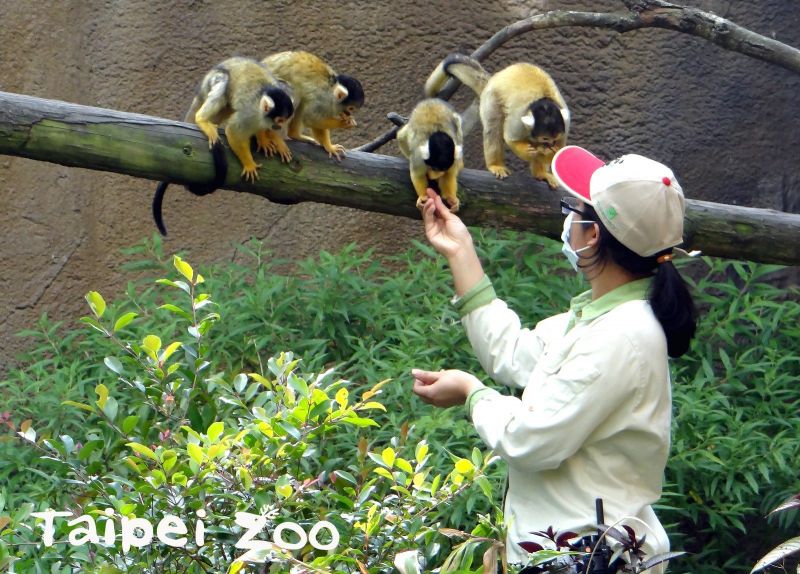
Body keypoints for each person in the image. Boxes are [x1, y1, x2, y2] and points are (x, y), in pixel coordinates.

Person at [411, 145, 697, 573]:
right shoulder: (596, 317)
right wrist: (460, 252)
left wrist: (472, 393)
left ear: (593, 233)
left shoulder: (622, 336)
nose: (568, 219)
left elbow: (531, 439)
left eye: (575, 209)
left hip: (591, 556)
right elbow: (513, 354)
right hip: (570, 551)